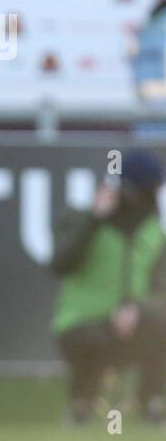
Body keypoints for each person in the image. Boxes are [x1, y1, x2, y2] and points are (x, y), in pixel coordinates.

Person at [51, 151, 166, 426]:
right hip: (80, 326)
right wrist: (92, 219)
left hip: (132, 327)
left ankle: (151, 403)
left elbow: (160, 287)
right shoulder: (81, 220)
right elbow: (60, 263)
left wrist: (140, 309)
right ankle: (82, 404)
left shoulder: (154, 232)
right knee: (93, 340)